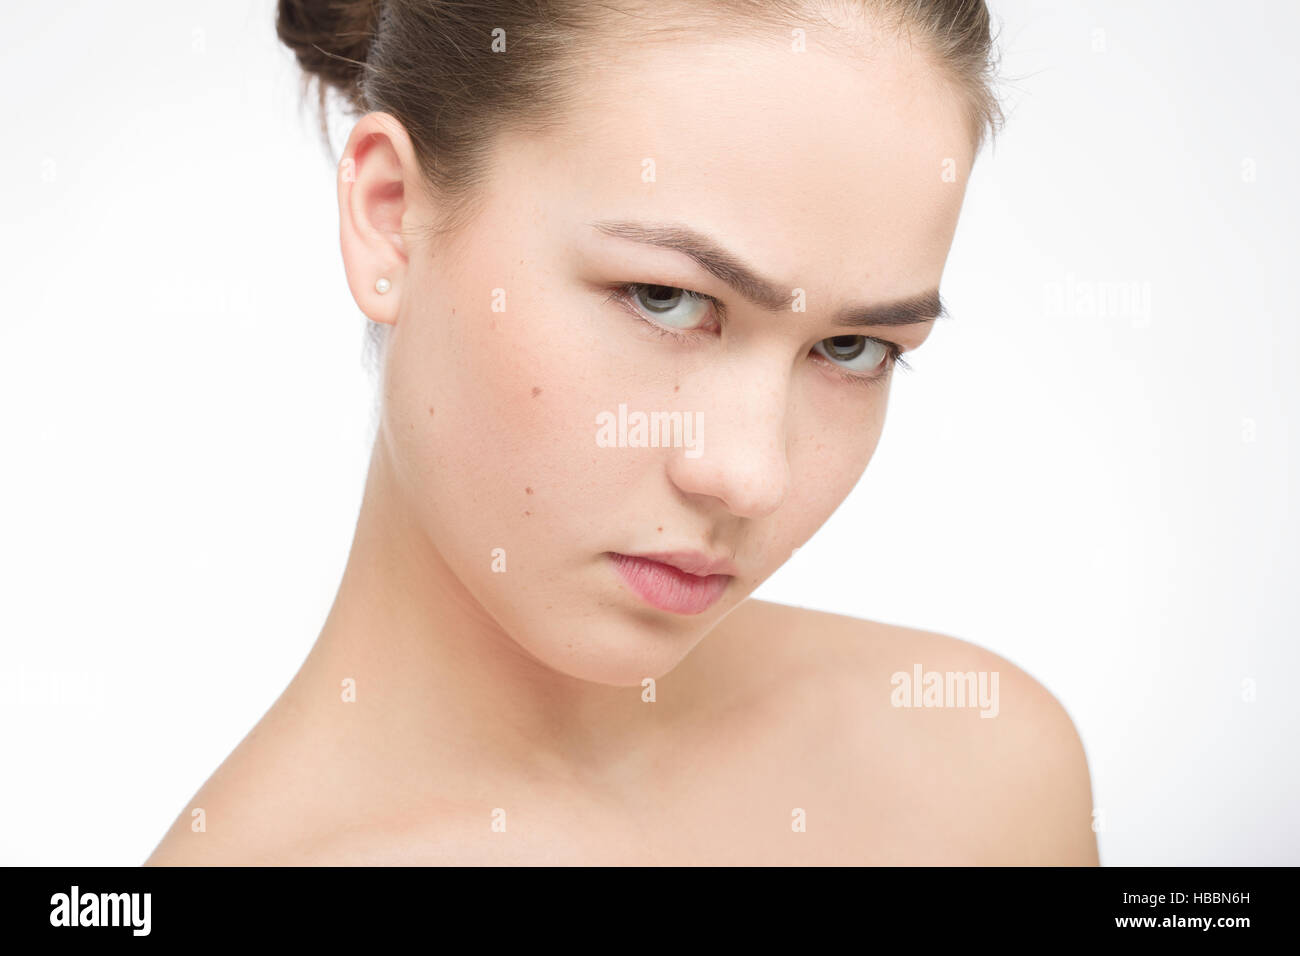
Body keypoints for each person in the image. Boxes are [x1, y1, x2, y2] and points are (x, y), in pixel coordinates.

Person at [145, 0, 1099, 865]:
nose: (749, 474)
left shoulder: (987, 773)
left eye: (853, 349)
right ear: (391, 216)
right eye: (667, 297)